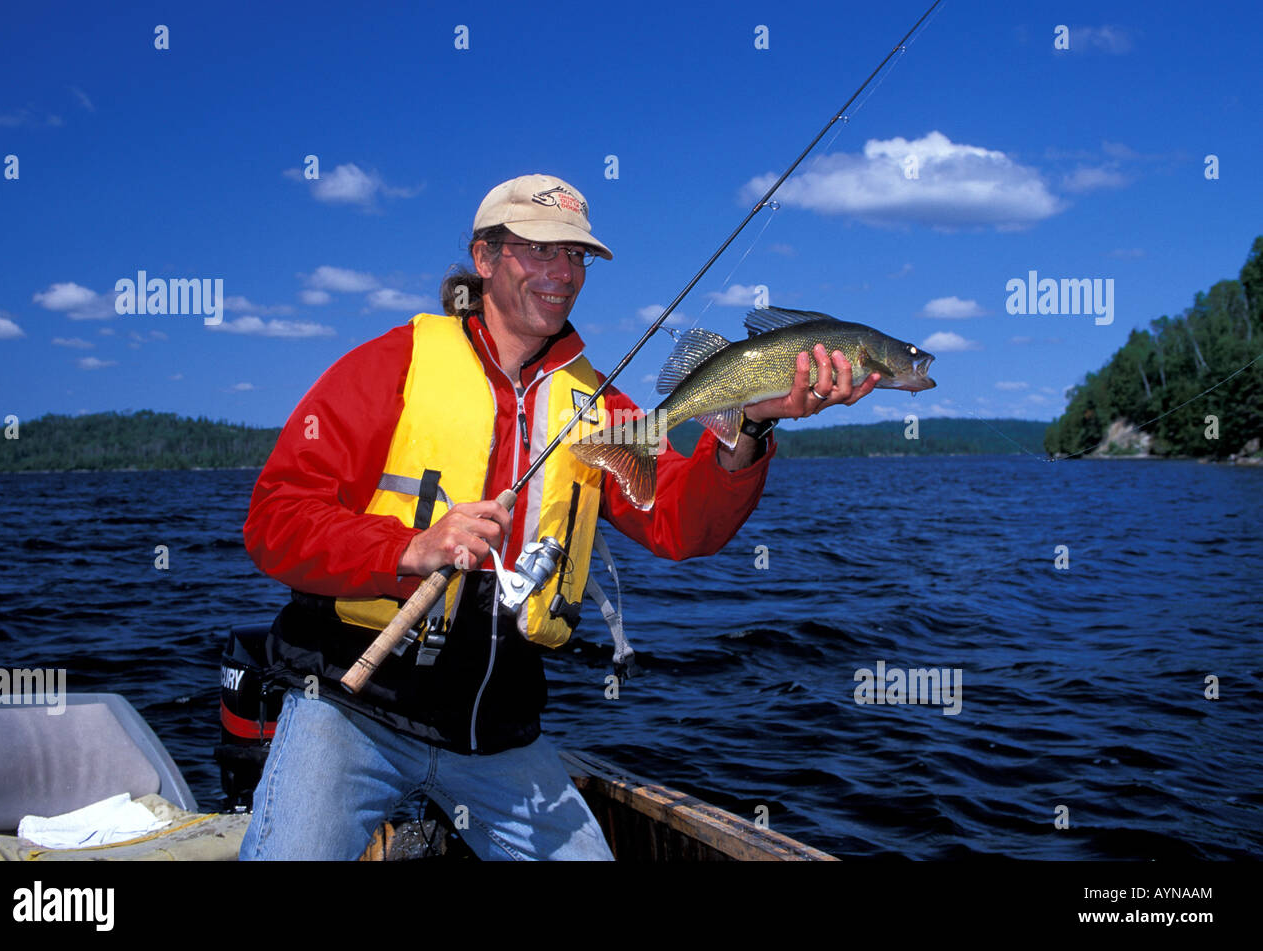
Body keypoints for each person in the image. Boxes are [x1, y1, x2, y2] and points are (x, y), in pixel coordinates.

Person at [238, 173, 877, 861]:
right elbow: (276, 519)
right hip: (352, 709)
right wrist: (409, 546)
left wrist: (750, 424)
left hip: (495, 735)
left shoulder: (601, 406)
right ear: (484, 258)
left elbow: (683, 525)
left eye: (575, 256)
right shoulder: (388, 366)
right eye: (539, 250)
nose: (562, 272)